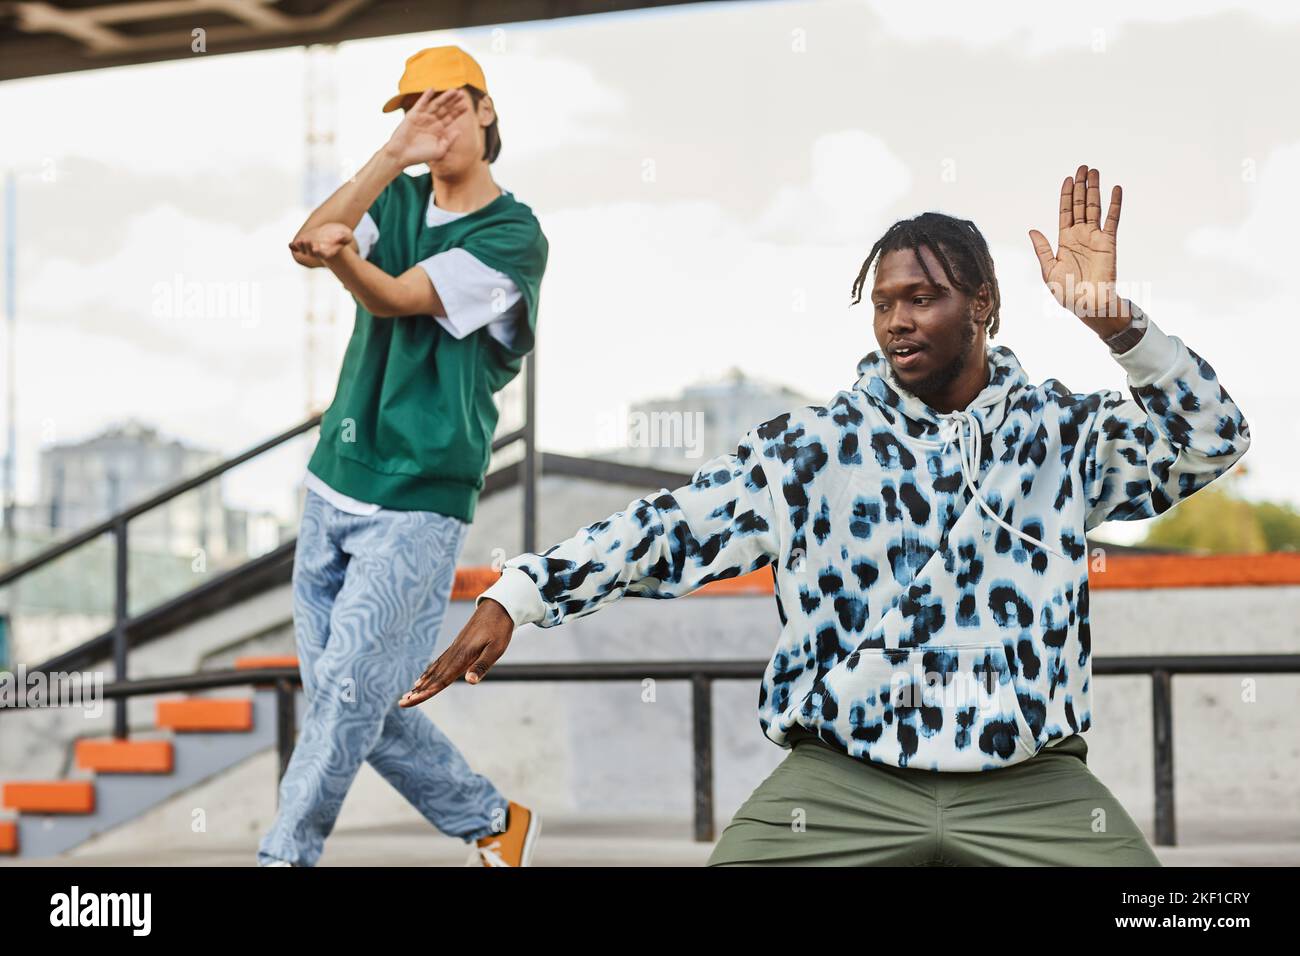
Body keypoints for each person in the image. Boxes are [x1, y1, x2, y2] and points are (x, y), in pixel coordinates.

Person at [400, 165, 1250, 866]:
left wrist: (1118, 325)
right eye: (884, 302)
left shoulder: (1063, 433)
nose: (897, 320)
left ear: (983, 304)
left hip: (1026, 779)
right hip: (845, 782)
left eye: (923, 297)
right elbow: (673, 526)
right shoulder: (814, 448)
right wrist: (521, 593)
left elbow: (1215, 440)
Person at [258, 45, 547, 868]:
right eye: (413, 108)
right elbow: (308, 238)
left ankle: (286, 856)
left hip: (420, 494)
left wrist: (347, 253)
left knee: (349, 692)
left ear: (487, 111)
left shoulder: (514, 236)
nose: (432, 121)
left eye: (449, 104)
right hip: (334, 477)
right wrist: (390, 160)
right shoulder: (401, 192)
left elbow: (394, 295)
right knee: (348, 696)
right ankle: (493, 821)